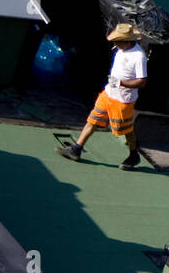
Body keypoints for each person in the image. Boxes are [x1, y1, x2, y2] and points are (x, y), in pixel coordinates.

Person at [56, 22, 148, 170]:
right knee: (92, 120)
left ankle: (133, 155)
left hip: (123, 100)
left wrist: (121, 84)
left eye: (118, 40)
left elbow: (142, 82)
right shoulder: (119, 50)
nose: (115, 43)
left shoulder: (139, 57)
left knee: (125, 130)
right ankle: (76, 149)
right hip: (108, 94)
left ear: (128, 40)